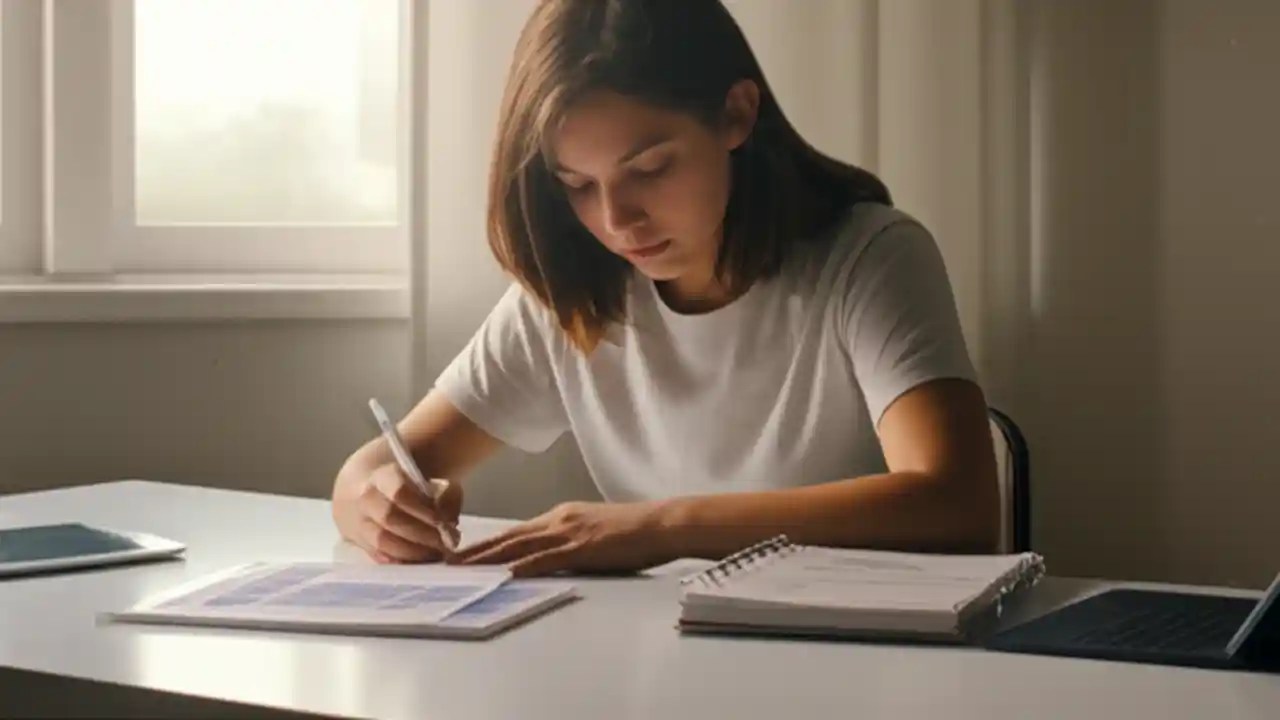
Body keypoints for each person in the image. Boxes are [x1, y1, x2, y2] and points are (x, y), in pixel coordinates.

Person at [331, 0, 1000, 577]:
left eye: (649, 168)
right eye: (577, 186)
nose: (616, 220)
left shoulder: (868, 258)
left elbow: (959, 504)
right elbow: (372, 468)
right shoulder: (573, 295)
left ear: (737, 115)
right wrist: (376, 501)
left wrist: (660, 528)